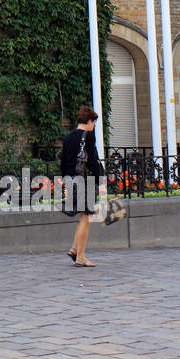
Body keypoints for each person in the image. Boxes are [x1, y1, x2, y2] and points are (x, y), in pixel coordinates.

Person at [60, 106, 102, 267]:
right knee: (86, 217)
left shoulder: (68, 137)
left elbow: (63, 162)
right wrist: (100, 181)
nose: (94, 126)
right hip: (85, 180)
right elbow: (91, 160)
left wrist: (64, 181)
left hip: (71, 179)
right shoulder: (88, 136)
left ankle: (74, 249)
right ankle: (81, 256)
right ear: (89, 121)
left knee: (84, 217)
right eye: (94, 123)